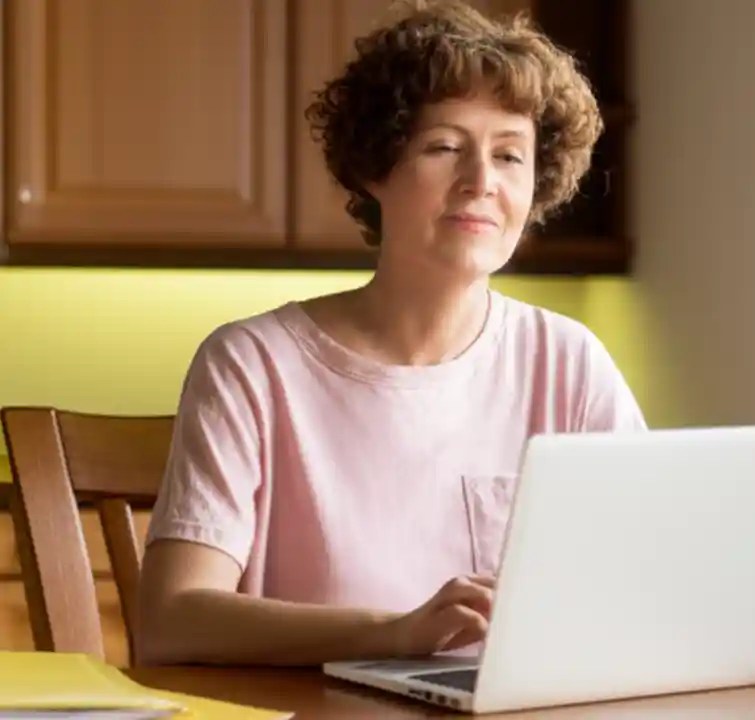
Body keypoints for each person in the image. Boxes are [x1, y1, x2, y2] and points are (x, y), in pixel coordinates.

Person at [135, 0, 644, 667]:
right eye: (444, 147)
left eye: (510, 156)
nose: (481, 183)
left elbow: (647, 584)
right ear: (374, 167)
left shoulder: (570, 361)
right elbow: (171, 620)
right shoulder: (253, 366)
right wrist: (393, 633)